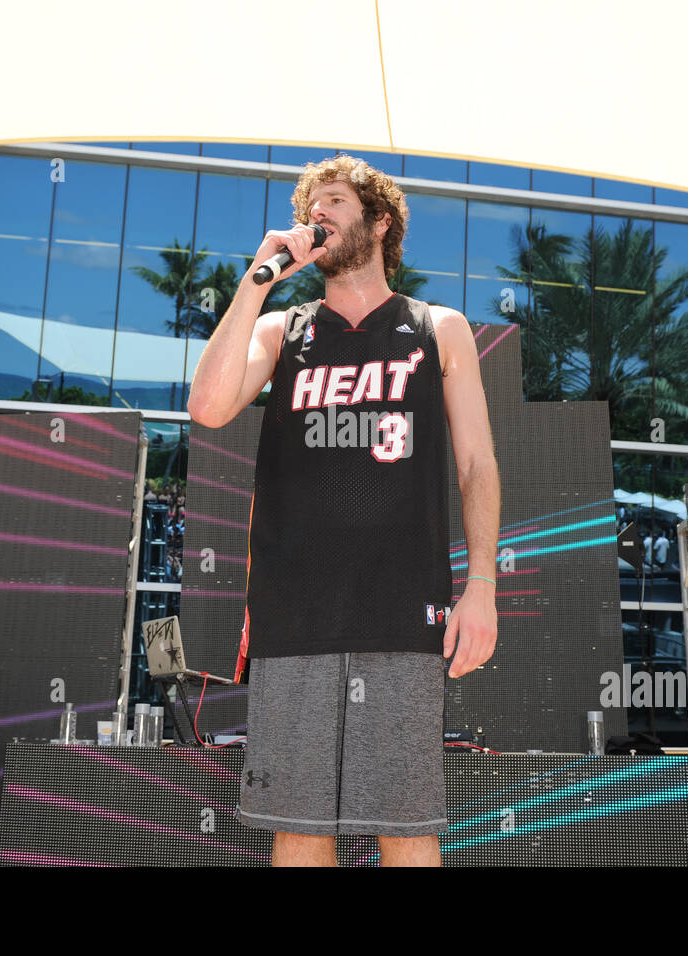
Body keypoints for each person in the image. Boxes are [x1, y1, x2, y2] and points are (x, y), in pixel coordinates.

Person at [187, 154, 500, 868]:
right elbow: (207, 407)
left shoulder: (438, 328)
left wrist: (481, 584)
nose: (315, 215)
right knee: (299, 831)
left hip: (402, 609)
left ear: (380, 221)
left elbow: (478, 465)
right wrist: (256, 279)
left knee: (407, 828)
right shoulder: (282, 330)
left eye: (331, 201)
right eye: (307, 207)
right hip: (294, 613)